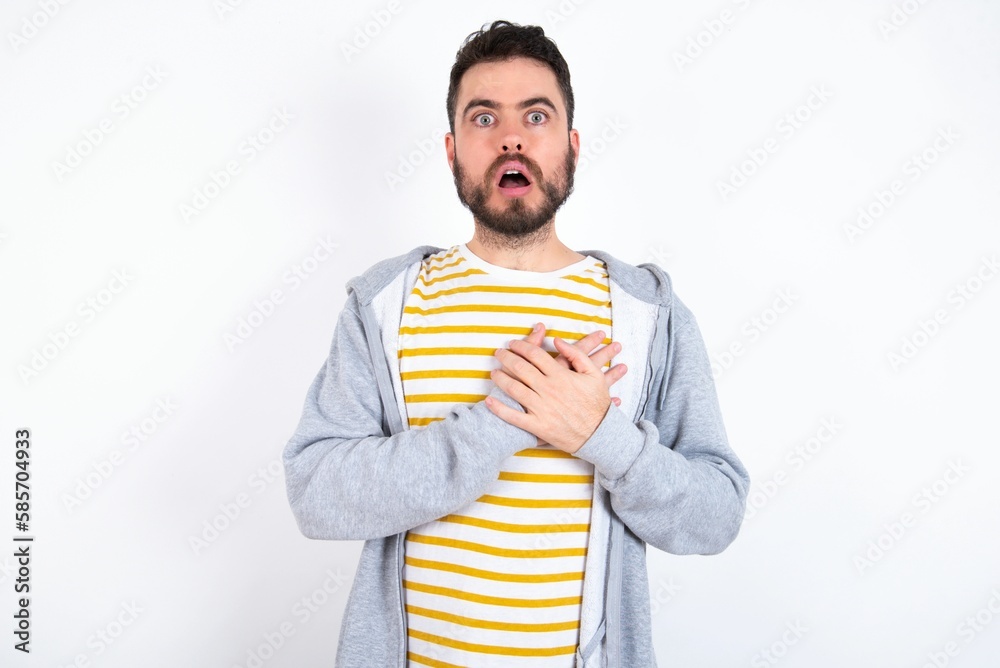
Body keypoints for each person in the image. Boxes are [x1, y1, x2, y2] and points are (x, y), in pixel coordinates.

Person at [282, 19, 750, 668]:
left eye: (536, 116)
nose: (509, 137)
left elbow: (715, 515)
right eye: (482, 118)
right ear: (451, 150)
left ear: (573, 145)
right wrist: (497, 426)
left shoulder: (648, 313)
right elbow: (316, 494)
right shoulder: (386, 302)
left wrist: (598, 435)